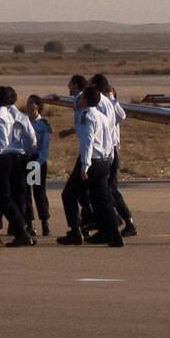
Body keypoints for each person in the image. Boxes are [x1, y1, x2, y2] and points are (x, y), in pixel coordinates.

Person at [0, 86, 36, 247]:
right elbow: (32, 140)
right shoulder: (21, 115)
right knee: (18, 195)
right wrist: (26, 152)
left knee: (1, 196)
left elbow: (1, 141)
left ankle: (20, 231)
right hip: (19, 158)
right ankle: (11, 230)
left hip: (1, 157)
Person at [88, 74, 137, 241]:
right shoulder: (107, 104)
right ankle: (111, 221)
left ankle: (122, 222)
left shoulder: (107, 103)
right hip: (109, 150)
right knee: (106, 190)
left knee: (109, 190)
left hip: (109, 151)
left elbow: (121, 115)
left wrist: (111, 99)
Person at [77, 86, 123, 247]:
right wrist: (109, 160)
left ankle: (80, 228)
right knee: (101, 200)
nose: (79, 99)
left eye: (82, 97)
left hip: (94, 162)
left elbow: (87, 142)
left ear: (86, 100)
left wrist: (85, 165)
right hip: (105, 161)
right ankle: (112, 235)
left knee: (74, 193)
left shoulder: (87, 116)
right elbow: (110, 139)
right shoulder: (102, 116)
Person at [57, 74, 93, 244]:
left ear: (78, 87)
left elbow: (85, 131)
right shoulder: (85, 103)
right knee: (87, 193)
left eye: (70, 85)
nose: (69, 89)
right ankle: (91, 222)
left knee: (69, 194)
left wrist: (85, 164)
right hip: (98, 155)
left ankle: (77, 230)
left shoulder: (81, 103)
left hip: (89, 156)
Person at [26, 96, 53, 236]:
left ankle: (44, 222)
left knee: (38, 193)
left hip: (37, 160)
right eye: (28, 102)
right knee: (25, 193)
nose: (29, 105)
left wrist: (37, 163)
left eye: (31, 102)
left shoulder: (43, 124)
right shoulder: (24, 121)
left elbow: (45, 147)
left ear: (37, 106)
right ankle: (29, 222)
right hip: (25, 159)